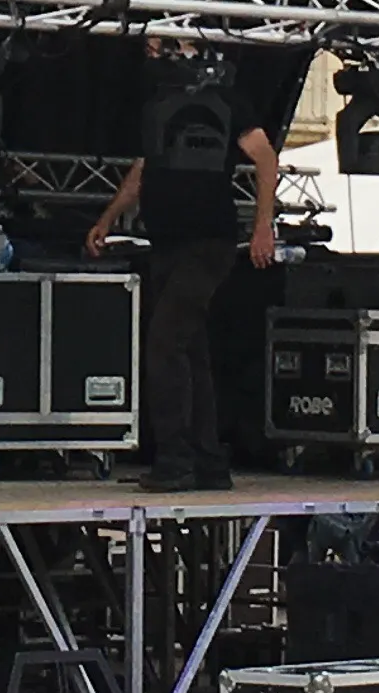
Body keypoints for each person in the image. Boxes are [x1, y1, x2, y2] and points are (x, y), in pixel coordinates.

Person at [87, 40, 281, 493]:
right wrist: (107, 218)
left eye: (160, 47)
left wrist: (262, 227)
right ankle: (208, 462)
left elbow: (266, 158)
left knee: (165, 344)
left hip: (208, 242)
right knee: (190, 350)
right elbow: (141, 170)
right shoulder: (157, 105)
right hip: (167, 243)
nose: (151, 54)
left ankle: (176, 460)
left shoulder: (226, 100)